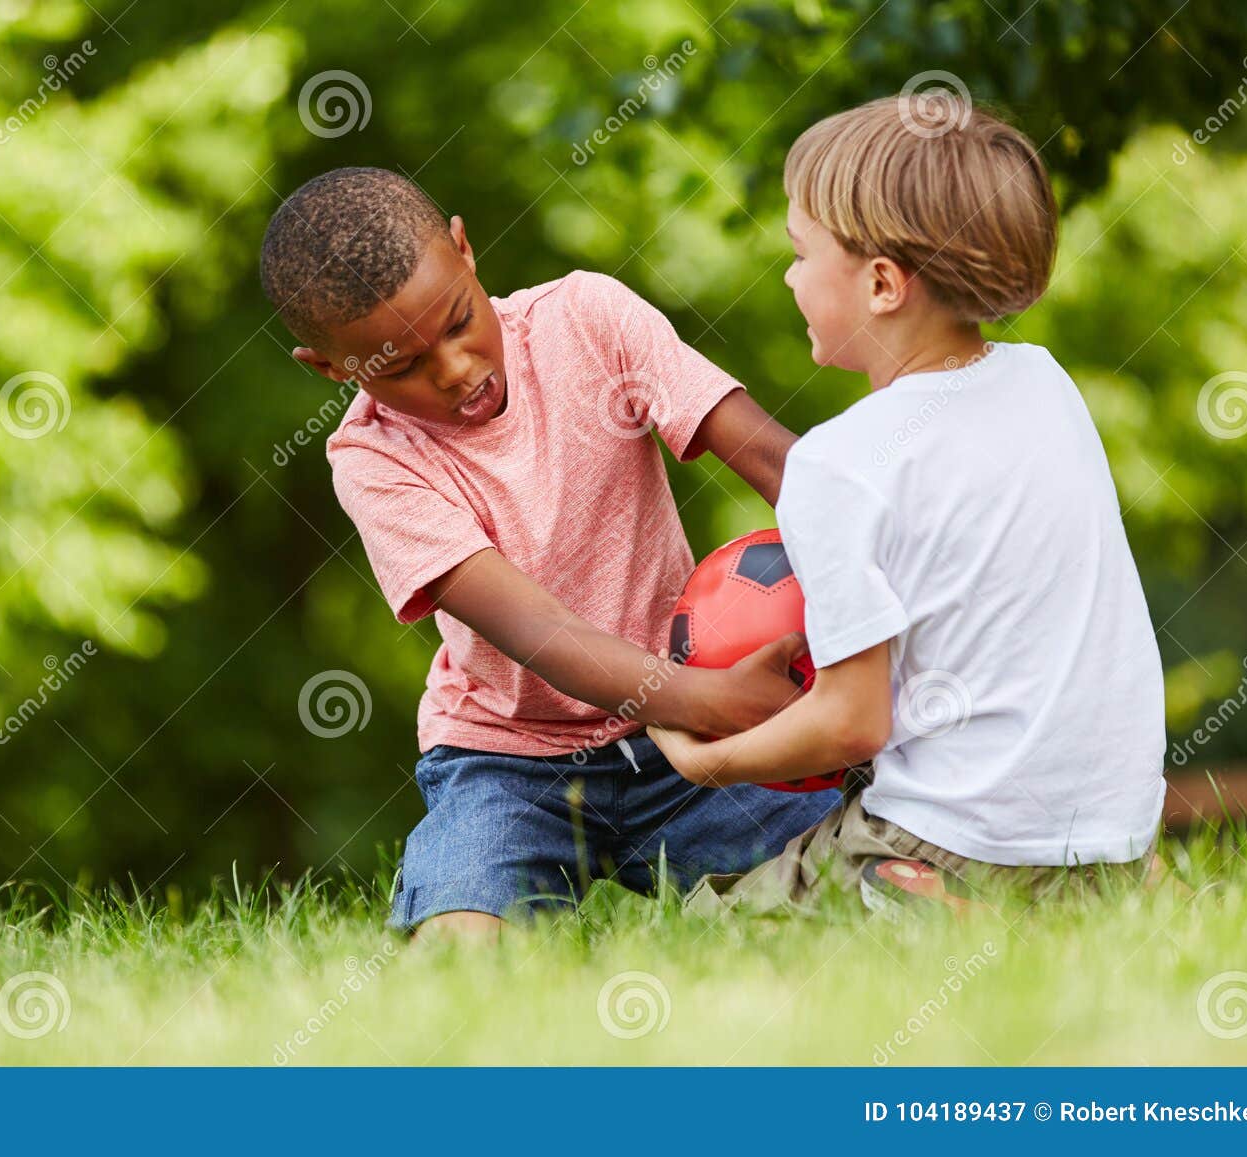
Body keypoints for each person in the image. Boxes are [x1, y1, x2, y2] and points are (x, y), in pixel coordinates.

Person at [259, 167, 837, 938]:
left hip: (690, 754)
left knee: (868, 886)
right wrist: (719, 700)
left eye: (459, 322)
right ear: (331, 368)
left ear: (465, 252)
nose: (456, 368)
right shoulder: (373, 460)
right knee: (461, 953)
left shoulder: (587, 320)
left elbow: (775, 463)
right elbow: (541, 635)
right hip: (508, 767)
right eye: (401, 366)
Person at [648, 96, 1166, 916]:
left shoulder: (840, 463)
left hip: (949, 840)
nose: (788, 275)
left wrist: (713, 761)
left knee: (698, 929)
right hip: (1111, 845)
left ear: (882, 283)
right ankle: (1060, 907)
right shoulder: (1046, 385)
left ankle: (918, 896)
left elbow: (853, 723)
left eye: (800, 252)